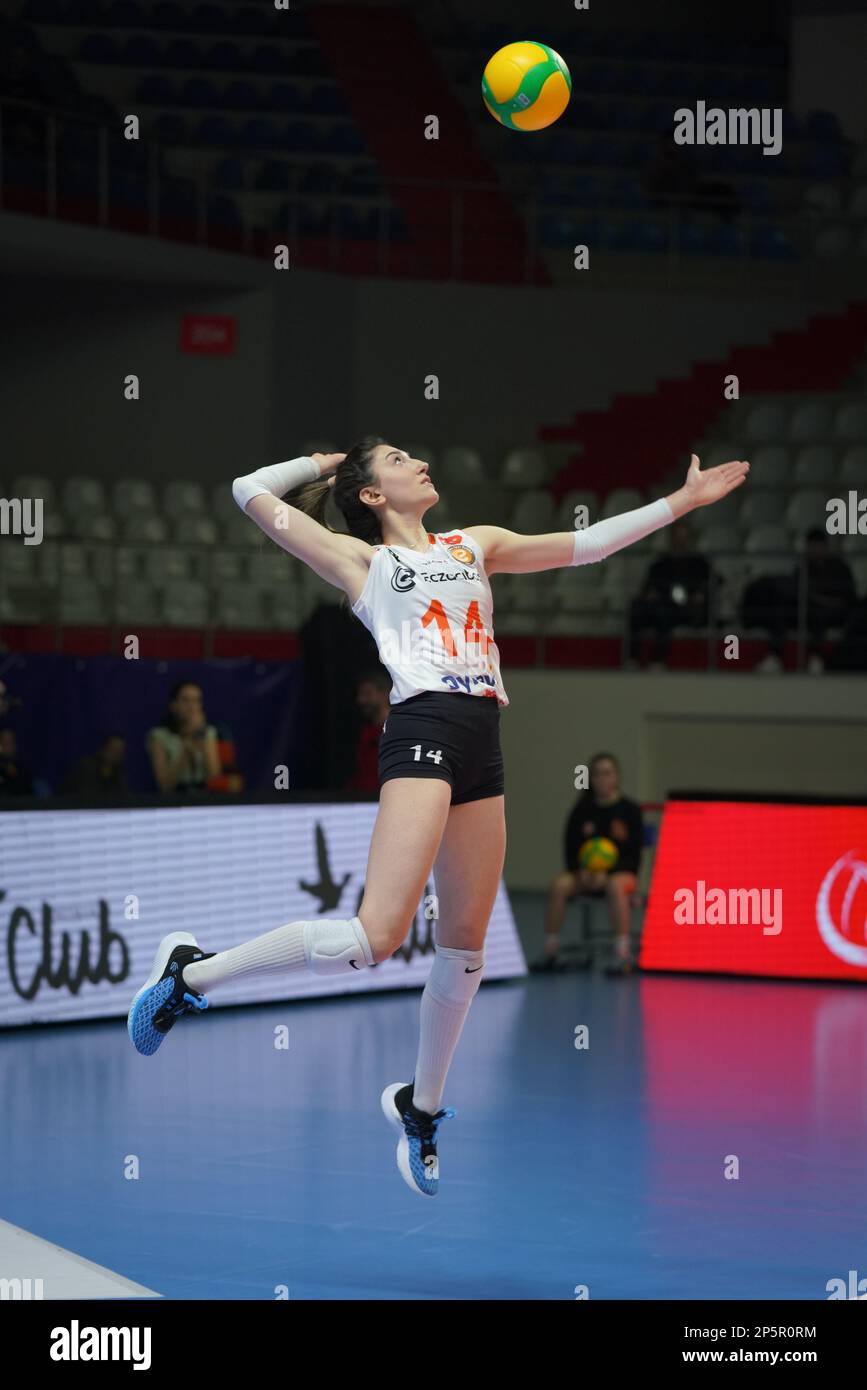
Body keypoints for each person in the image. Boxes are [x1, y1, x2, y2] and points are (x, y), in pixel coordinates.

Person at [126, 441, 749, 1198]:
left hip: (482, 740)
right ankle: (191, 973)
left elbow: (585, 547)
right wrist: (321, 465)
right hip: (421, 728)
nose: (418, 461)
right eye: (397, 459)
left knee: (464, 952)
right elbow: (245, 485)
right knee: (372, 940)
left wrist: (680, 504)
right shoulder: (358, 561)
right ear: (371, 495)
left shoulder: (474, 545)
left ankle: (417, 1109)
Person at [535, 752, 644, 976]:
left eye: (607, 773)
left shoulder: (630, 810)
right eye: (597, 774)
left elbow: (635, 855)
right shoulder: (581, 810)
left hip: (620, 875)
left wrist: (609, 872)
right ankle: (551, 951)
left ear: (617, 777)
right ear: (590, 779)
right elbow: (570, 849)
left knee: (615, 886)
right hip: (585, 875)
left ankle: (622, 955)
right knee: (559, 885)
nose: (602, 779)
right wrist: (580, 871)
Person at [627, 522, 711, 668]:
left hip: (685, 609)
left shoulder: (700, 564)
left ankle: (658, 659)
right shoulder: (660, 564)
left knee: (664, 611)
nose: (680, 542)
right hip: (658, 605)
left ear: (689, 539)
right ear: (671, 539)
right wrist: (649, 594)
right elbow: (648, 589)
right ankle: (632, 658)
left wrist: (699, 596)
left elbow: (706, 589)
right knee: (636, 606)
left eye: (683, 538)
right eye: (677, 538)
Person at [146, 681, 221, 794]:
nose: (192, 707)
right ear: (173, 705)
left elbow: (215, 776)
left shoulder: (208, 733)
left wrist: (199, 735)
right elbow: (165, 786)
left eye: (196, 701)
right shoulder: (159, 736)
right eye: (186, 700)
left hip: (205, 796)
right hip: (174, 799)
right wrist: (188, 747)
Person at [345, 668, 391, 793]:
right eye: (359, 695)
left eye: (367, 694)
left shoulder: (398, 730)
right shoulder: (365, 731)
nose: (361, 700)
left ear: (384, 694)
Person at [61, 732, 130, 799]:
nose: (116, 755)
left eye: (120, 752)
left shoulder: (120, 775)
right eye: (113, 750)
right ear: (102, 750)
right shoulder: (84, 769)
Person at [0, 726, 34, 796]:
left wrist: (14, 774)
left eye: (10, 742)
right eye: (4, 742)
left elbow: (27, 791)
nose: (7, 746)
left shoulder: (23, 766)